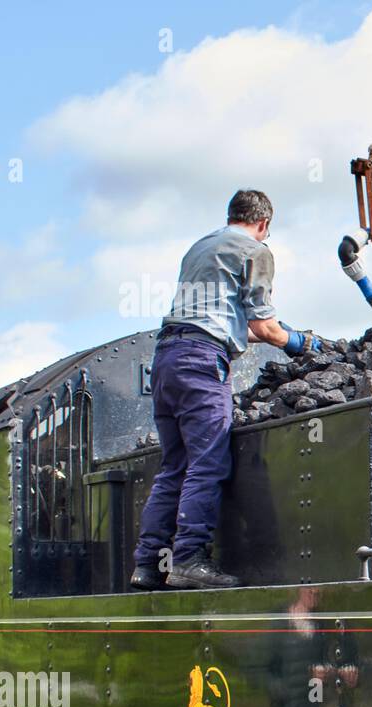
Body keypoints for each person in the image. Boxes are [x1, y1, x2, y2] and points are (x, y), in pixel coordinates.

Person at [130, 189, 321, 590]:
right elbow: (265, 327)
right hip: (202, 363)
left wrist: (271, 335)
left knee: (173, 468)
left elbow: (233, 324)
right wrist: (303, 344)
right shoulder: (255, 250)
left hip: (167, 358)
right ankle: (188, 560)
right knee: (208, 462)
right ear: (264, 224)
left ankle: (148, 564)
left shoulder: (200, 247)